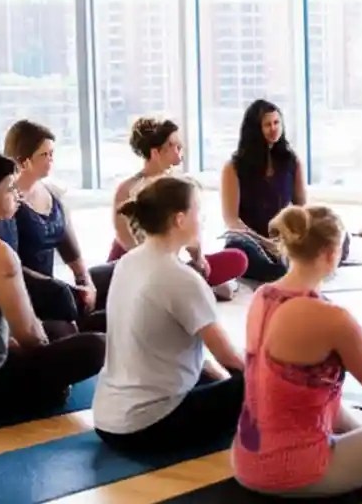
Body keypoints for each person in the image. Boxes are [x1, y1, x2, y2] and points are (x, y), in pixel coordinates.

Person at [233, 205, 362, 497]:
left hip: (245, 463)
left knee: (316, 398)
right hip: (301, 474)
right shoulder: (331, 318)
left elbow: (324, 402)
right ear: (331, 254)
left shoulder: (262, 296)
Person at [93, 176, 247, 454]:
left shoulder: (128, 261)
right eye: (197, 211)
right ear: (179, 219)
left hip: (107, 421)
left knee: (222, 377)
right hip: (149, 427)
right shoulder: (180, 277)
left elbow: (194, 357)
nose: (201, 218)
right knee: (271, 375)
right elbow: (230, 357)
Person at [0, 143, 105, 416]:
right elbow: (30, 335)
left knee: (58, 327)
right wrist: (53, 370)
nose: (17, 195)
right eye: (9, 188)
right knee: (97, 345)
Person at [92, 118, 246, 305]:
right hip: (137, 259)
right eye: (175, 147)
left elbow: (189, 230)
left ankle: (190, 286)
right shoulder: (127, 189)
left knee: (238, 259)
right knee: (102, 288)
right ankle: (190, 288)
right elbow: (127, 240)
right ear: (156, 152)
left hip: (172, 260)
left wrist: (197, 258)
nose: (180, 152)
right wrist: (166, 267)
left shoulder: (181, 186)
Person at [220, 99, 348, 282]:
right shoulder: (233, 168)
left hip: (284, 238)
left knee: (337, 234)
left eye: (276, 122)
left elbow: (303, 208)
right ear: (255, 129)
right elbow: (231, 221)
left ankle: (294, 264)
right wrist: (265, 243)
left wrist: (300, 236)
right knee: (239, 255)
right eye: (267, 124)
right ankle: (292, 267)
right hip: (250, 239)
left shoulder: (291, 161)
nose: (274, 128)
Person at [0, 120, 103, 330]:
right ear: (23, 161)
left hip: (54, 290)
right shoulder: (7, 205)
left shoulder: (51, 192)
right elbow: (10, 263)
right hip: (27, 293)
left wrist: (84, 280)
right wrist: (62, 289)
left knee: (106, 291)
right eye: (45, 155)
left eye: (52, 154)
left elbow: (70, 247)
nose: (51, 160)